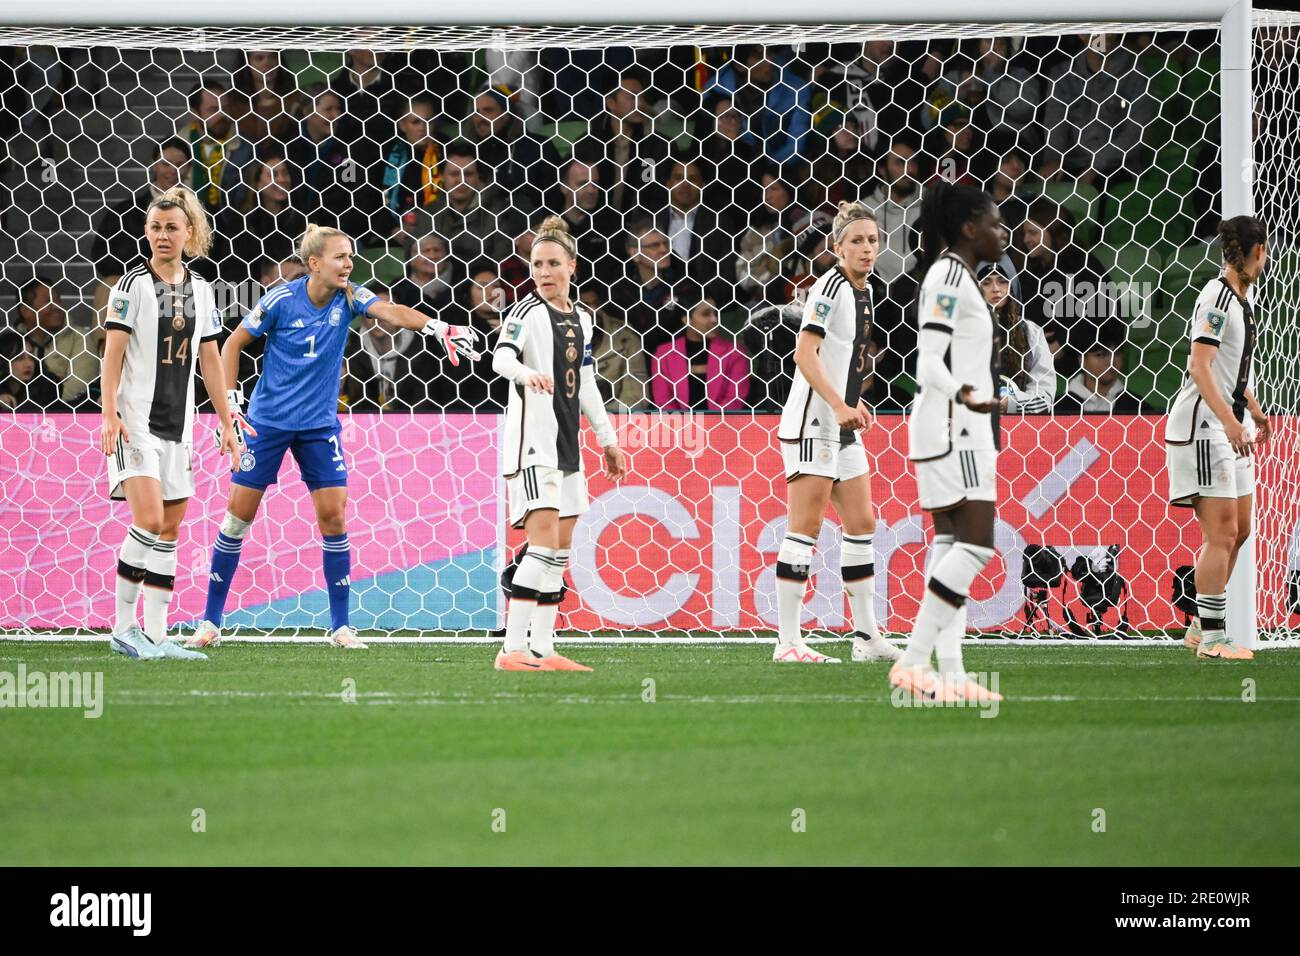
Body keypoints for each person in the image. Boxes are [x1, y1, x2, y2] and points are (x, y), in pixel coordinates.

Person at [186, 224, 481, 651]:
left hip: (319, 427)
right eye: (340, 257)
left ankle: (341, 627)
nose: (349, 264)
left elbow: (392, 311)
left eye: (351, 256)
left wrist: (436, 327)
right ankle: (211, 622)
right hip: (267, 424)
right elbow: (232, 345)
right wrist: (230, 406)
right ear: (314, 263)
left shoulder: (350, 296)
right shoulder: (280, 300)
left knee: (334, 519)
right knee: (237, 519)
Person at [98, 186, 242, 660]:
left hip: (178, 427)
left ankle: (158, 636)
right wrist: (109, 413)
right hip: (135, 422)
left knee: (169, 531)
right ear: (145, 231)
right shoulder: (131, 286)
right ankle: (123, 628)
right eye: (156, 227)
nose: (163, 235)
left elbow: (211, 361)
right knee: (150, 519)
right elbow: (112, 354)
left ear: (189, 232)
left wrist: (226, 421)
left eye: (172, 228)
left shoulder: (202, 290)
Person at [490, 216, 627, 672]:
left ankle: (543, 650)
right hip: (534, 446)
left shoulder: (582, 318)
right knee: (543, 546)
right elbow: (500, 358)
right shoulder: (524, 313)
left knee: (560, 552)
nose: (543, 272)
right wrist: (525, 372)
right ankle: (511, 649)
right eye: (536, 264)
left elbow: (586, 381)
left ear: (572, 265)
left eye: (552, 263)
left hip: (568, 446)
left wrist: (607, 440)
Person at [893, 180, 1008, 702]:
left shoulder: (960, 276)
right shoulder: (947, 275)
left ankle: (953, 675)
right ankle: (914, 661)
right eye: (995, 224)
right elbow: (927, 361)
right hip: (953, 427)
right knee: (976, 546)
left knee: (950, 547)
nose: (1002, 233)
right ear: (969, 228)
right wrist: (966, 395)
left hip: (960, 425)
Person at [774, 202, 902, 665]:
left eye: (872, 240)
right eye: (856, 241)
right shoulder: (830, 286)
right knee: (804, 529)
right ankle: (788, 642)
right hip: (814, 421)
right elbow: (804, 355)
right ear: (838, 246)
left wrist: (853, 401)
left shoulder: (864, 290)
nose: (866, 248)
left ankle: (866, 638)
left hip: (840, 423)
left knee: (862, 524)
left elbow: (838, 357)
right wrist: (837, 404)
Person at [1164, 216, 1271, 661]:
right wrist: (1229, 421)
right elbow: (1200, 365)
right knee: (1221, 533)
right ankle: (1212, 639)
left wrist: (1252, 408)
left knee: (1240, 530)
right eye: (1265, 252)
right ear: (1257, 252)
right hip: (1205, 428)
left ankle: (1198, 627)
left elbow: (1227, 370)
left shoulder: (1240, 300)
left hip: (1229, 422)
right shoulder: (1217, 297)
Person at [650, 289, 750, 411]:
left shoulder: (734, 352)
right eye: (706, 314)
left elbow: (734, 400)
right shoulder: (663, 355)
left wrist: (710, 421)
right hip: (678, 422)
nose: (714, 319)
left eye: (715, 313)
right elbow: (663, 401)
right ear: (686, 320)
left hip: (723, 422)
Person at [978, 260, 1055, 414]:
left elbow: (1045, 395)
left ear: (1012, 285)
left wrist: (1012, 404)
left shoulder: (1031, 332)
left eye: (1002, 281)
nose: (995, 289)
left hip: (1020, 424)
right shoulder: (961, 331)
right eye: (986, 283)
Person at [1055, 341, 1148, 414]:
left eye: (1116, 353)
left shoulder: (1139, 407)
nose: (1111, 361)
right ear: (1082, 360)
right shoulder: (1056, 409)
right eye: (1100, 354)